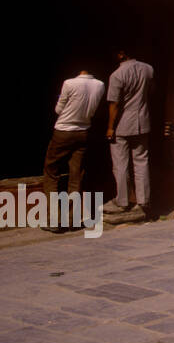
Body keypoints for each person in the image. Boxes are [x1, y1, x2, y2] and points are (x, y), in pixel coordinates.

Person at [42, 65, 105, 231]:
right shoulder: (100, 85)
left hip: (63, 131)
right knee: (76, 175)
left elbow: (58, 109)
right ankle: (73, 218)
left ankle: (54, 219)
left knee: (51, 171)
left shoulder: (69, 83)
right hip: (83, 131)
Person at [105, 48, 154, 216]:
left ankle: (123, 201)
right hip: (143, 122)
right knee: (141, 162)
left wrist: (110, 127)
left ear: (121, 54)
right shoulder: (148, 69)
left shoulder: (117, 75)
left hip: (122, 125)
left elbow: (114, 104)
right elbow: (151, 92)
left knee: (121, 164)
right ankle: (144, 200)